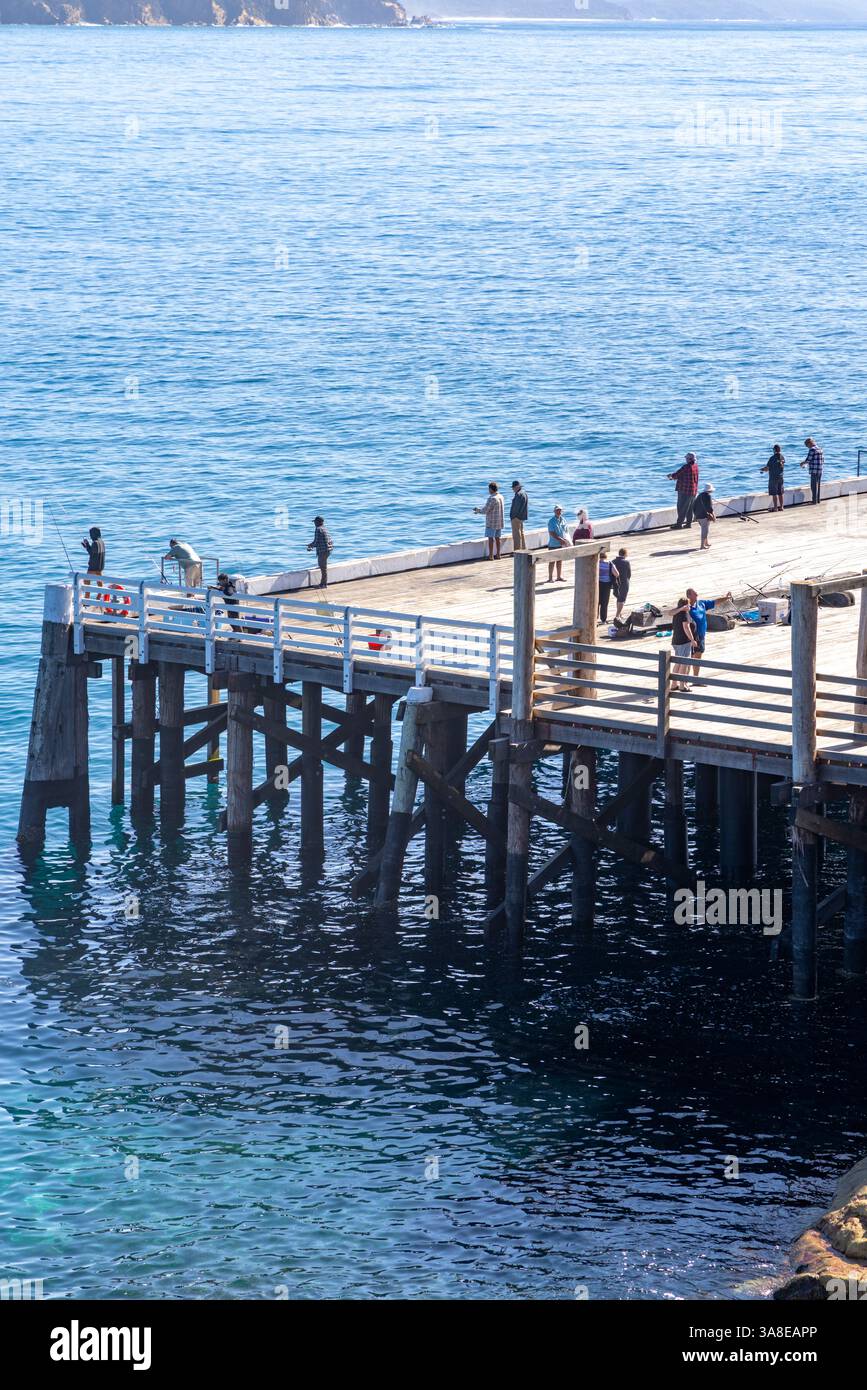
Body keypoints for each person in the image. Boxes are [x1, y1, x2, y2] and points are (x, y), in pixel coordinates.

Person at [687, 585, 733, 683]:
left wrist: (726, 598)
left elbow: (715, 602)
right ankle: (685, 680)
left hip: (701, 635)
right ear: (689, 596)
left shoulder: (702, 604)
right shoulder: (687, 608)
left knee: (698, 656)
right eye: (695, 593)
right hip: (692, 636)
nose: (697, 595)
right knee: (690, 657)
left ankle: (695, 679)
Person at [671, 597, 697, 693]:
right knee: (684, 663)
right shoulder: (684, 614)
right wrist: (692, 640)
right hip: (684, 642)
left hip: (676, 641)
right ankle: (682, 685)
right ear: (685, 605)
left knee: (678, 662)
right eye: (689, 604)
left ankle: (674, 684)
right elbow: (686, 628)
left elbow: (670, 612)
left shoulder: (677, 612)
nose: (690, 606)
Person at [669, 452, 699, 529]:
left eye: (686, 458)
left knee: (681, 507)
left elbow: (677, 475)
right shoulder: (696, 466)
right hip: (693, 490)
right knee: (689, 508)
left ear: (689, 459)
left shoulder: (686, 467)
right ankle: (688, 524)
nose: (685, 459)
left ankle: (679, 524)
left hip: (684, 491)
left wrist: (670, 476)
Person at [475, 481, 504, 560]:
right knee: (498, 538)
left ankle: (491, 556)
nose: (488, 490)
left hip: (491, 522)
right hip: (499, 521)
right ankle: (498, 554)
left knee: (491, 539)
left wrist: (478, 510)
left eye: (489, 489)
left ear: (491, 489)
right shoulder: (501, 496)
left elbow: (485, 511)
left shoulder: (492, 498)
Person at [306, 515, 333, 588]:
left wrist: (310, 546)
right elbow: (320, 541)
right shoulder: (325, 529)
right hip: (328, 550)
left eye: (315, 522)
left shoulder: (318, 529)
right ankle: (324, 583)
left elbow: (316, 541)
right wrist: (311, 545)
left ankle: (323, 584)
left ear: (318, 522)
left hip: (323, 551)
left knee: (323, 568)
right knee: (323, 567)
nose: (314, 523)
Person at [547, 504, 569, 581]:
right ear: (554, 511)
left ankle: (559, 576)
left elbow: (566, 531)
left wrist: (566, 540)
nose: (558, 512)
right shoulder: (551, 521)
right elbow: (552, 533)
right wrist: (560, 539)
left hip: (561, 544)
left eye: (560, 510)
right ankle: (550, 578)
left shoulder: (563, 520)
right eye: (557, 510)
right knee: (552, 561)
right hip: (553, 544)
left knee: (560, 560)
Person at [760, 445, 785, 512]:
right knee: (780, 492)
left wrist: (762, 469)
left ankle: (775, 508)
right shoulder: (782, 457)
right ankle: (781, 507)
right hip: (781, 477)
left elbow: (767, 468)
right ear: (780, 449)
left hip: (773, 477)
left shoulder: (772, 458)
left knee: (774, 493)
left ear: (774, 450)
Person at [800, 437, 824, 504]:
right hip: (820, 469)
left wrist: (802, 463)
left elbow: (808, 460)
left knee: (813, 486)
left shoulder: (812, 450)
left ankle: (814, 501)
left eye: (807, 445)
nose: (807, 447)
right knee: (818, 485)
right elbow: (822, 460)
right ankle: (818, 500)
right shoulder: (820, 448)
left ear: (809, 443)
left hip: (814, 470)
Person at [692, 482, 716, 549]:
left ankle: (706, 543)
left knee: (705, 529)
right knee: (705, 530)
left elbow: (694, 506)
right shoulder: (708, 496)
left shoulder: (700, 495)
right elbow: (709, 508)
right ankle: (702, 546)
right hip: (704, 516)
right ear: (710, 490)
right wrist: (714, 516)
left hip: (698, 515)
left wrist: (695, 515)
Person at [598, 549, 618, 624]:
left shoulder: (596, 563)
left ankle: (594, 619)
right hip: (607, 584)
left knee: (596, 602)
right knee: (604, 603)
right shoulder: (610, 563)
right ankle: (603, 620)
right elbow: (616, 574)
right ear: (606, 556)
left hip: (598, 584)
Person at [509, 480, 528, 552]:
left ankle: (517, 551)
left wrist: (512, 516)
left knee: (516, 535)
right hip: (522, 517)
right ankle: (523, 549)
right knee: (521, 533)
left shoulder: (518, 494)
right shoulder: (524, 493)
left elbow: (516, 507)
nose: (512, 489)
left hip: (516, 517)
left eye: (513, 488)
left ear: (517, 487)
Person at [612, 547, 631, 619]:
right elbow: (629, 574)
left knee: (618, 598)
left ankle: (619, 614)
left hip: (615, 583)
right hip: (624, 582)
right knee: (622, 599)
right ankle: (617, 615)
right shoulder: (626, 562)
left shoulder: (613, 561)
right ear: (625, 554)